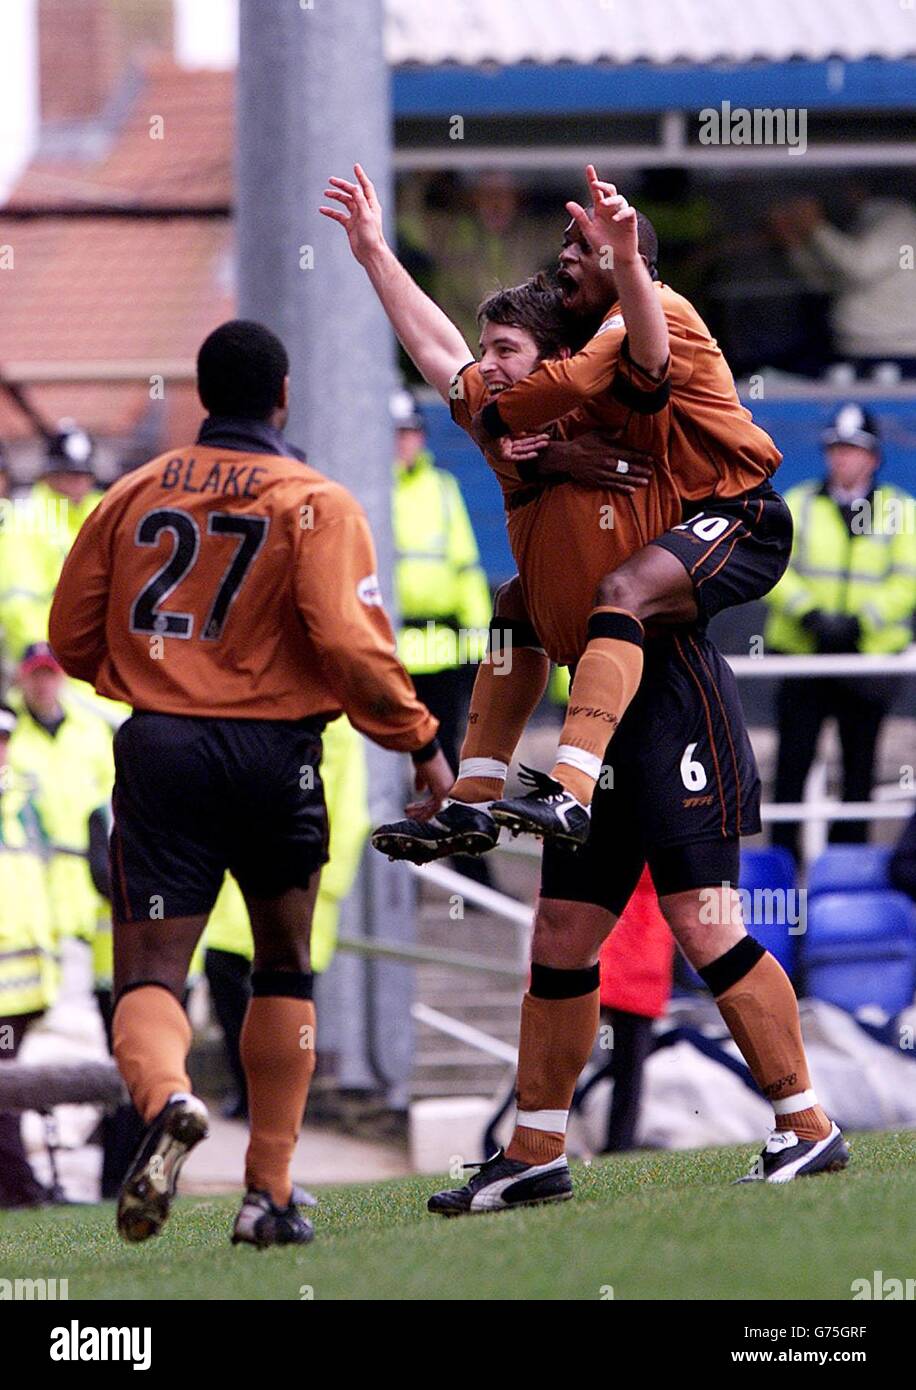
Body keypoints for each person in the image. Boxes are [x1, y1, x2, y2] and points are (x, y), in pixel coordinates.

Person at [323, 164, 847, 1210]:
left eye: (508, 353)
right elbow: (435, 348)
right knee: (559, 932)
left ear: (559, 356)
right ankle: (534, 1149)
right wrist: (376, 256)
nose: (488, 372)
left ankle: (807, 1123)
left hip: (669, 694)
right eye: (492, 356)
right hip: (593, 707)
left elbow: (645, 353)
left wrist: (618, 261)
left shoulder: (627, 417)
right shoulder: (498, 416)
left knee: (700, 915)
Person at [48, 318, 452, 1249]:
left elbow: (71, 638)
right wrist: (422, 743)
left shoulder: (131, 494)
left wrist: (158, 690)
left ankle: (172, 1099)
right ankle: (269, 1191)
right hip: (279, 757)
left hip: (164, 752)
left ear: (202, 395)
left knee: (149, 975)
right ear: (282, 397)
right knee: (283, 963)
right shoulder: (316, 499)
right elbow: (351, 646)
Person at [764, 404, 916, 861]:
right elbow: (771, 567)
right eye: (836, 449)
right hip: (804, 655)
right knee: (792, 764)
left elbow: (907, 579)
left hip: (865, 661)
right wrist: (810, 614)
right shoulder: (799, 503)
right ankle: (784, 866)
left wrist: (860, 620)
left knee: (859, 770)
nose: (842, 459)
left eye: (853, 450)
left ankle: (848, 868)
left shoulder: (901, 512)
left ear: (873, 458)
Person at [391, 386, 493, 882]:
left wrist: (480, 644)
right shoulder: (371, 490)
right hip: (390, 653)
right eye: (394, 435)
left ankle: (469, 870)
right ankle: (406, 874)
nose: (401, 444)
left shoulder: (442, 489)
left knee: (448, 757)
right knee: (392, 767)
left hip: (443, 650)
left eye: (408, 434)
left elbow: (467, 569)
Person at [8, 642, 114, 947]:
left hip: (92, 882)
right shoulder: (10, 737)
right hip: (37, 885)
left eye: (49, 676)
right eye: (35, 677)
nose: (43, 685)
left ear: (62, 679)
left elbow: (113, 801)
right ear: (22, 679)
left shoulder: (91, 732)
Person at [0, 701, 58, 1208]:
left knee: (8, 1083)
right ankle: (19, 1188)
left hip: (23, 980)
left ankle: (18, 1186)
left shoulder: (21, 801)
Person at [771, 184, 916, 378]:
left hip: (891, 350)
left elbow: (858, 267)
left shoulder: (896, 218)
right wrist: (794, 244)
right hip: (856, 347)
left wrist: (815, 226)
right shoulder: (861, 222)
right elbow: (824, 282)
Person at [0, 423, 102, 664]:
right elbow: (20, 600)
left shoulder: (105, 512)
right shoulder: (25, 519)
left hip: (100, 653)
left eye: (83, 474)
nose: (78, 482)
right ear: (48, 475)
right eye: (69, 473)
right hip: (51, 659)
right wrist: (39, 654)